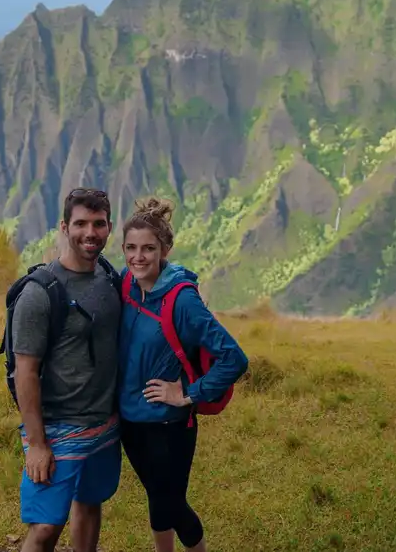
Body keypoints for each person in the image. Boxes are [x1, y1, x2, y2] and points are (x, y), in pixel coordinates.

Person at [116, 197, 249, 552]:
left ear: (165, 249)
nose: (138, 257)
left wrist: (187, 393)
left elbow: (234, 358)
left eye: (148, 248)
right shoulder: (126, 284)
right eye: (130, 248)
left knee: (172, 503)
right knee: (158, 500)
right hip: (129, 422)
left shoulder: (181, 300)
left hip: (168, 426)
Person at [10, 188, 123, 552]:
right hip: (58, 430)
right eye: (80, 224)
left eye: (99, 224)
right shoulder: (40, 293)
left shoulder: (108, 277)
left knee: (90, 504)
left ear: (109, 227)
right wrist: (38, 444)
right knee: (44, 528)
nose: (90, 232)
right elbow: (24, 372)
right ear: (64, 227)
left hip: (104, 425)